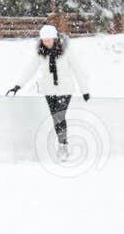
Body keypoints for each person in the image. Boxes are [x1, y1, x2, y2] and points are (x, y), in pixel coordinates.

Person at [5, 23, 91, 161]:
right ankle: (62, 143)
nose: (46, 43)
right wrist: (17, 86)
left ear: (55, 39)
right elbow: (30, 69)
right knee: (55, 118)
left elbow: (78, 70)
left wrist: (84, 90)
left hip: (65, 89)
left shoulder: (66, 52)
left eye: (48, 40)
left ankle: (63, 146)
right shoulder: (41, 53)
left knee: (59, 116)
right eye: (44, 41)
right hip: (49, 90)